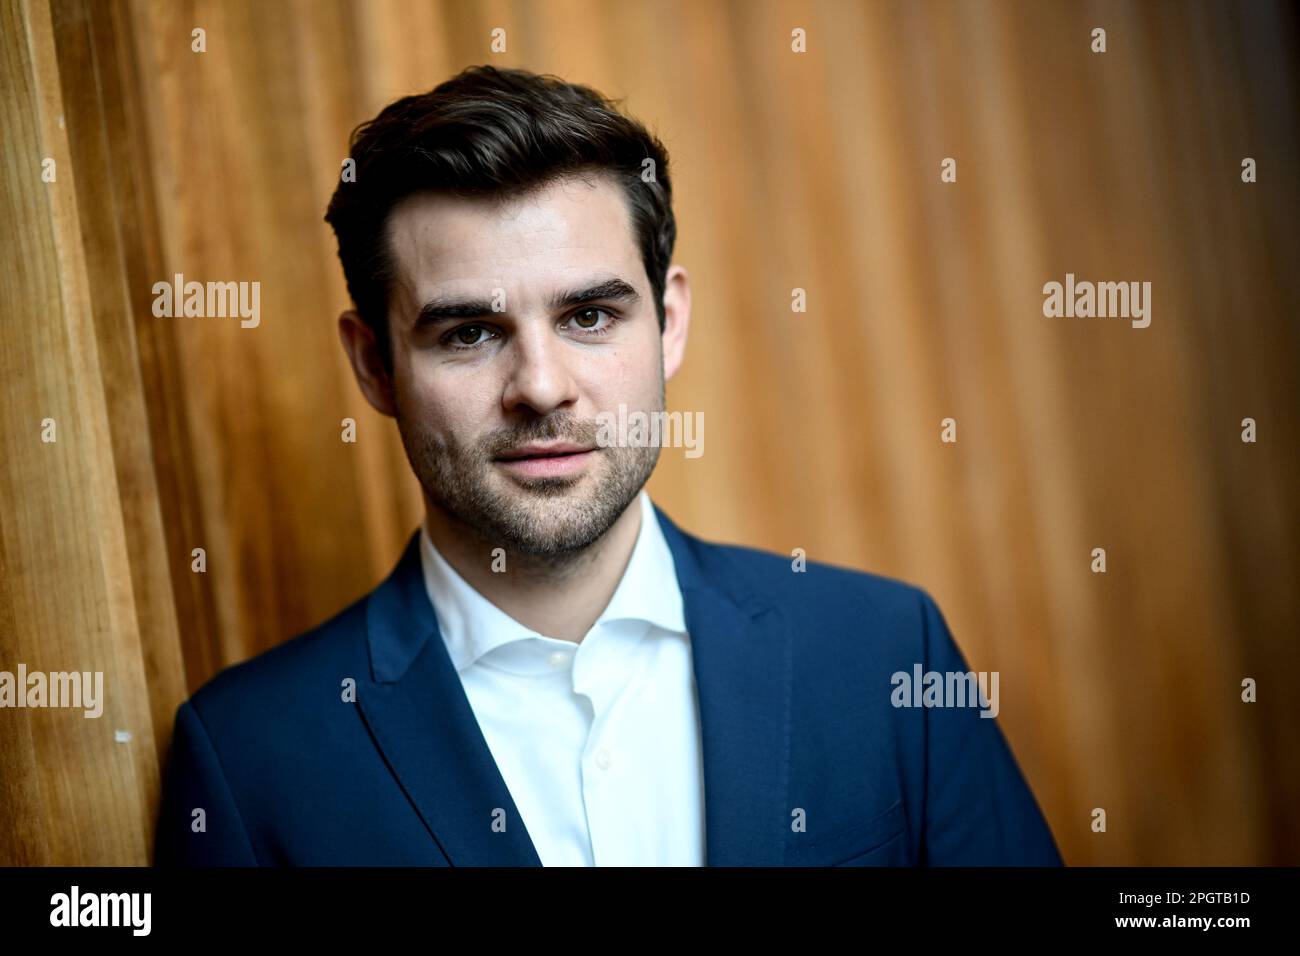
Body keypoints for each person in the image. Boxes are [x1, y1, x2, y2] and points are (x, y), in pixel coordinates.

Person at [154, 65, 1062, 867]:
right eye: (469, 333)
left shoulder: (882, 652)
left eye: (590, 316)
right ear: (375, 367)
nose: (542, 388)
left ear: (668, 322)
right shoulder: (249, 758)